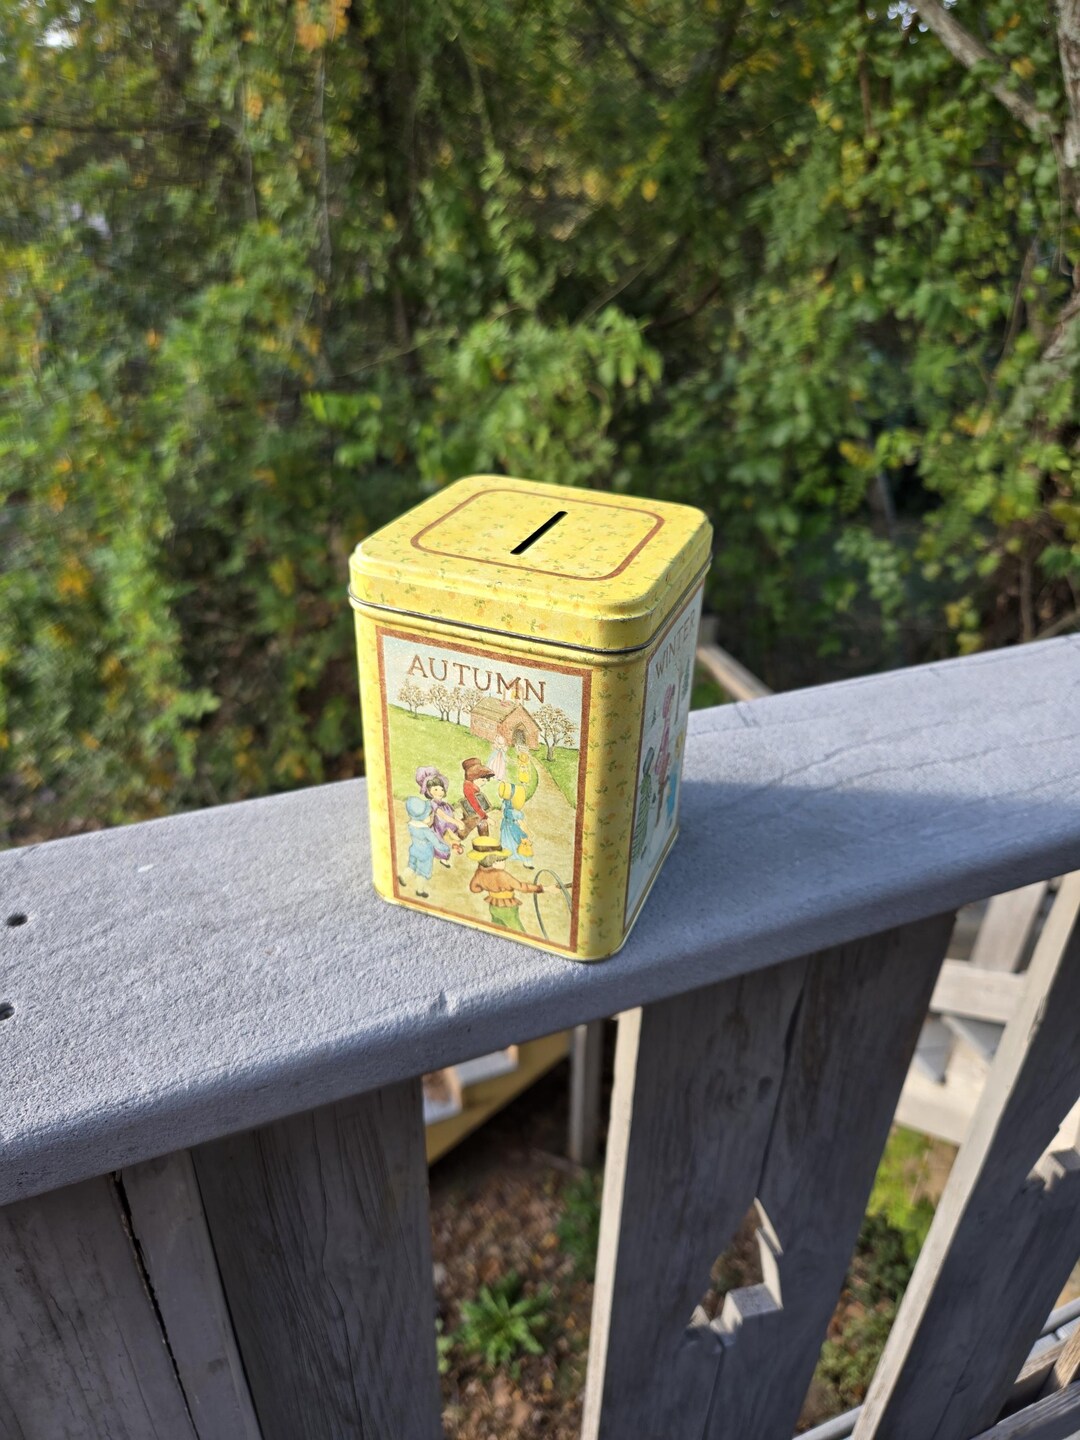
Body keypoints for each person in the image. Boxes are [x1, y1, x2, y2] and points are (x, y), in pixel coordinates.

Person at [467, 835, 543, 934]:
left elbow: (474, 888)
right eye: (502, 860)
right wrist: (542, 888)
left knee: (497, 927)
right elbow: (522, 887)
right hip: (507, 908)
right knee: (518, 930)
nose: (504, 862)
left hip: (493, 906)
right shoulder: (502, 875)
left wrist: (485, 885)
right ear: (494, 862)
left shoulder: (479, 873)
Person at [416, 765, 464, 864]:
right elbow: (443, 816)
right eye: (436, 790)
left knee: (453, 836)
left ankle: (454, 845)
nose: (440, 792)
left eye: (441, 789)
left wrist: (458, 820)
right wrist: (456, 822)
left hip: (448, 826)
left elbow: (453, 813)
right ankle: (443, 857)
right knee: (440, 841)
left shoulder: (445, 804)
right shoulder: (433, 803)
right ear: (429, 791)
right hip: (439, 827)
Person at [399, 795, 441, 898]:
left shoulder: (411, 825)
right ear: (423, 818)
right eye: (429, 814)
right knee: (423, 873)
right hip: (425, 854)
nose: (431, 816)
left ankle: (403, 878)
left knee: (411, 866)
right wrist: (445, 849)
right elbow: (436, 843)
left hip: (414, 850)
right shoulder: (426, 831)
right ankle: (420, 890)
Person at [460, 756, 495, 838]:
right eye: (483, 779)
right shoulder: (469, 788)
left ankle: (484, 840)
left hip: (475, 812)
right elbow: (474, 803)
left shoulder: (471, 785)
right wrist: (485, 817)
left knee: (481, 825)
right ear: (473, 777)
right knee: (465, 829)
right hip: (474, 813)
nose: (484, 782)